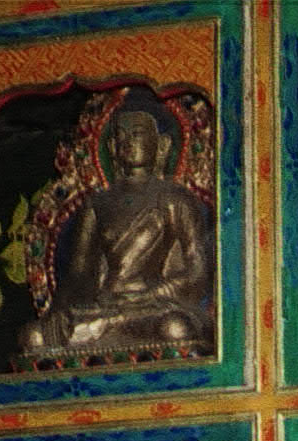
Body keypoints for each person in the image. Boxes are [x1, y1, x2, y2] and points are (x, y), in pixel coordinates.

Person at [18, 106, 215, 366]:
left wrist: (150, 295)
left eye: (137, 134)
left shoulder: (175, 199)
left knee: (176, 330)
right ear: (112, 147)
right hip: (104, 306)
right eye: (121, 136)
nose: (128, 142)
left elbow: (197, 272)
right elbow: (79, 272)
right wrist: (59, 311)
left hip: (151, 310)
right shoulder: (97, 205)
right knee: (34, 338)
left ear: (162, 145)